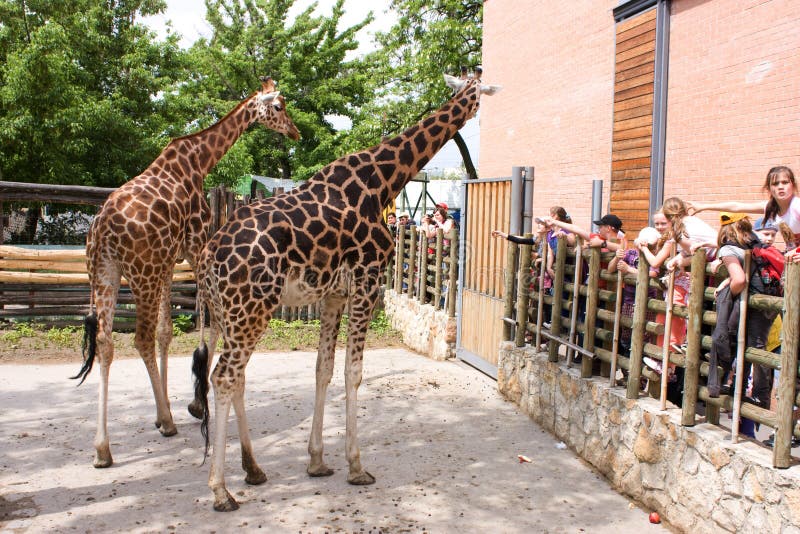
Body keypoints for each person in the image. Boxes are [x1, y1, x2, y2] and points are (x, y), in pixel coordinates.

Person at [709, 212, 777, 433]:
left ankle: (748, 397)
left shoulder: (729, 248)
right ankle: (757, 397)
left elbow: (740, 279)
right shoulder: (752, 246)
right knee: (756, 348)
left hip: (750, 305)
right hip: (767, 303)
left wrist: (730, 289)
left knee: (744, 348)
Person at [688, 166, 800, 263]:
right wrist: (704, 207)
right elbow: (736, 207)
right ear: (769, 189)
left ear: (793, 185)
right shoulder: (771, 208)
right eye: (775, 183)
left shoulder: (796, 206)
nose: (780, 186)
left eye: (785, 182)